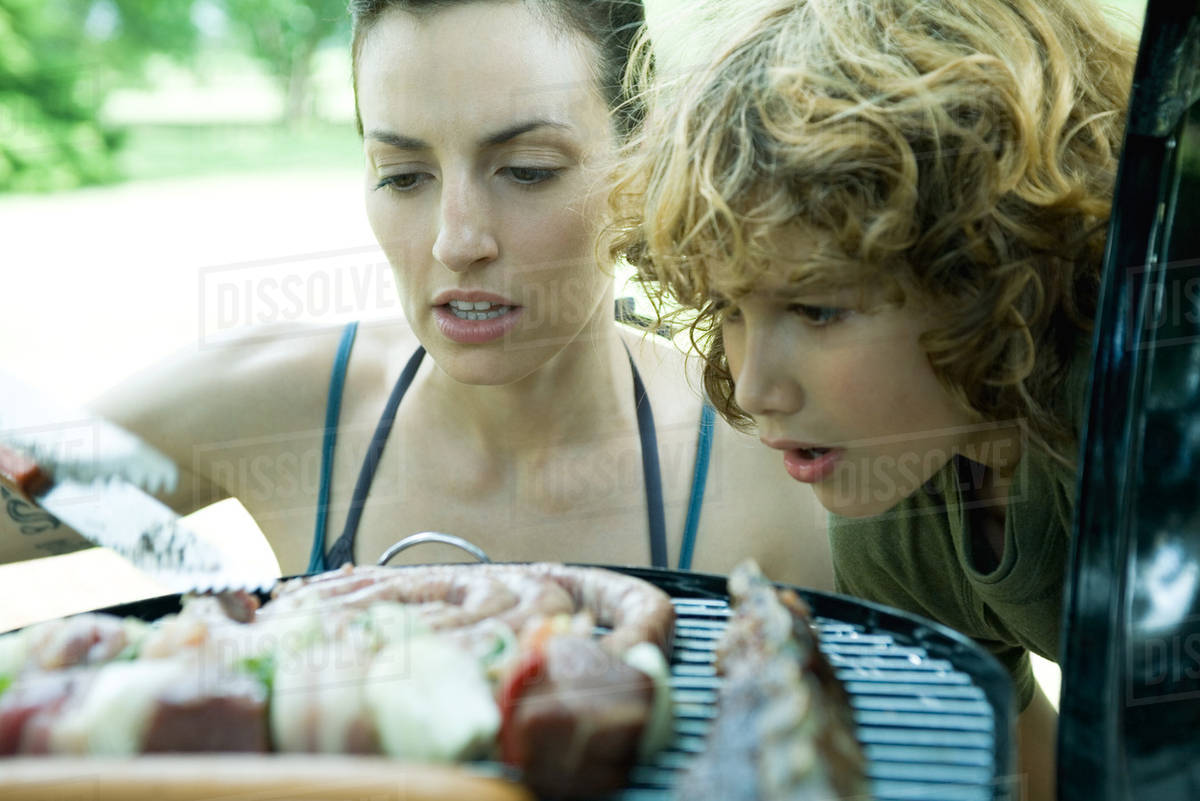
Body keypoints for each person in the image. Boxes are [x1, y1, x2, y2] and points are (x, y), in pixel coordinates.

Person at [81, 0, 832, 588]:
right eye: (404, 175)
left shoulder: (763, 471)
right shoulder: (275, 405)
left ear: (639, 158)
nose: (456, 239)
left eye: (528, 169)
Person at [608, 0, 1136, 797]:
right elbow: (1030, 771)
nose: (754, 389)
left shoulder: (1142, 434)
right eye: (728, 310)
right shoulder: (894, 510)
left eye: (817, 308)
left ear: (985, 270)